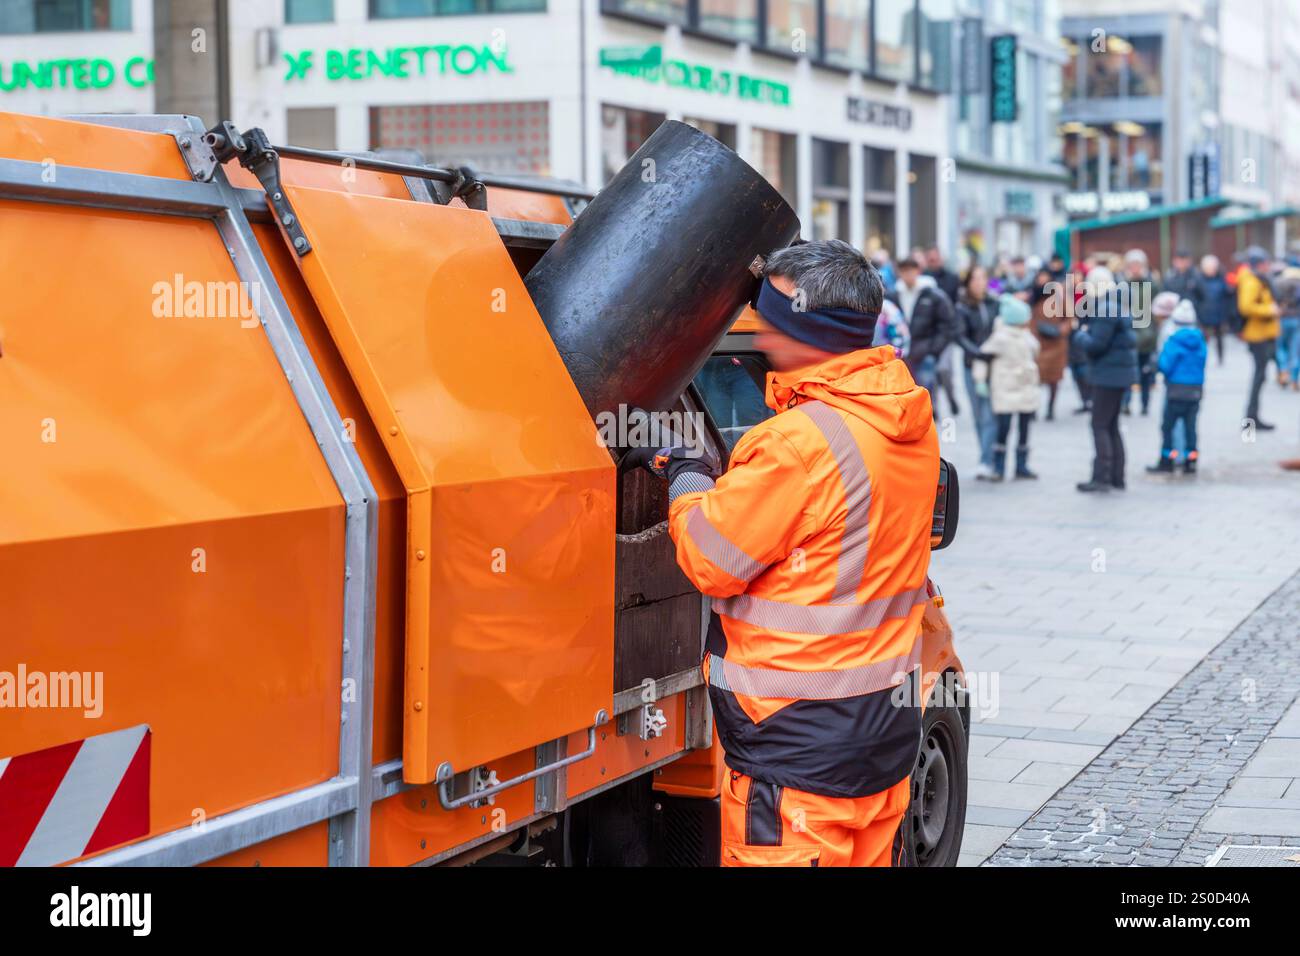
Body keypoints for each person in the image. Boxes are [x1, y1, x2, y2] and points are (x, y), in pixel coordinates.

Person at [627, 239, 937, 868]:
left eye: (766, 314)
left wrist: (687, 472)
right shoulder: (904, 414)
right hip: (880, 731)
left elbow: (710, 558)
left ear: (799, 323)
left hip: (795, 748)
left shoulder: (795, 445)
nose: (758, 329)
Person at [1075, 266, 1138, 493]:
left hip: (1108, 375)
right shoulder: (1117, 305)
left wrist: (1080, 334)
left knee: (1100, 424)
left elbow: (1096, 345)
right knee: (1111, 426)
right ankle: (1116, 477)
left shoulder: (1104, 309)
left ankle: (1102, 477)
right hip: (1118, 374)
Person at [975, 294, 1040, 480]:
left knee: (1025, 428)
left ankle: (1021, 465)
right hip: (1006, 389)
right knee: (1004, 429)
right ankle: (999, 466)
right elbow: (983, 358)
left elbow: (1035, 351)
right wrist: (980, 380)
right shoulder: (1000, 338)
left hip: (1025, 388)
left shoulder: (1026, 336)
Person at [1147, 299, 1207, 476]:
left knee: (1168, 427)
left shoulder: (1174, 341)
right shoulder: (1200, 341)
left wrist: (1154, 364)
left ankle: (1168, 459)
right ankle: (1191, 460)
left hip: (1175, 389)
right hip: (1195, 390)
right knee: (1191, 428)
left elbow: (1165, 366)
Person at [888, 256, 957, 403]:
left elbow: (946, 324)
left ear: (918, 271)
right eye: (904, 271)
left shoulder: (932, 295)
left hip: (925, 353)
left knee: (926, 395)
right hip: (901, 355)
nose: (908, 275)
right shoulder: (893, 296)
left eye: (911, 271)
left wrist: (933, 349)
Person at [955, 265, 1000, 478]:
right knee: (978, 413)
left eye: (983, 278)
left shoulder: (994, 303)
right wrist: (978, 353)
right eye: (975, 279)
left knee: (990, 413)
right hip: (971, 366)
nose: (979, 282)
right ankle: (986, 456)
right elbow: (959, 336)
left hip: (994, 365)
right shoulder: (962, 307)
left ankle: (987, 460)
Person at [1238, 246, 1281, 431]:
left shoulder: (1259, 279)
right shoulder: (1251, 281)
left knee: (1261, 377)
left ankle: (1253, 417)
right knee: (1258, 378)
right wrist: (1268, 310)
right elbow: (1245, 307)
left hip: (1264, 334)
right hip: (1257, 335)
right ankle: (1250, 419)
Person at [1121, 248, 1160, 416]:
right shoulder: (1122, 285)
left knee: (1146, 373)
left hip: (1147, 336)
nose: (1135, 268)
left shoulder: (1152, 285)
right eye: (1132, 265)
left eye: (1138, 264)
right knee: (1128, 372)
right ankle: (1126, 403)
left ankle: (1145, 404)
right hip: (1129, 336)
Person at [1030, 269, 1071, 420]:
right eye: (1040, 278)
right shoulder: (1032, 297)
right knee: (1034, 379)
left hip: (1056, 344)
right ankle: (1032, 408)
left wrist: (1062, 330)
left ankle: (1050, 408)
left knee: (1053, 380)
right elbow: (1028, 318)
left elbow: (1069, 318)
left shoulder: (1060, 298)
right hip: (1037, 344)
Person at [1189, 254, 1230, 366]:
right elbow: (1195, 297)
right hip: (1204, 313)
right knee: (1203, 338)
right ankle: (1202, 357)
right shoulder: (1198, 280)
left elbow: (1226, 295)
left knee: (1219, 338)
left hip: (1218, 313)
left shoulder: (1221, 278)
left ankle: (1220, 358)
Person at [1273, 257, 1300, 389]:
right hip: (1296, 320)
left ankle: (1283, 370)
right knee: (1295, 349)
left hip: (1281, 319)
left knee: (1280, 347)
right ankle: (1295, 378)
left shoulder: (1278, 282)